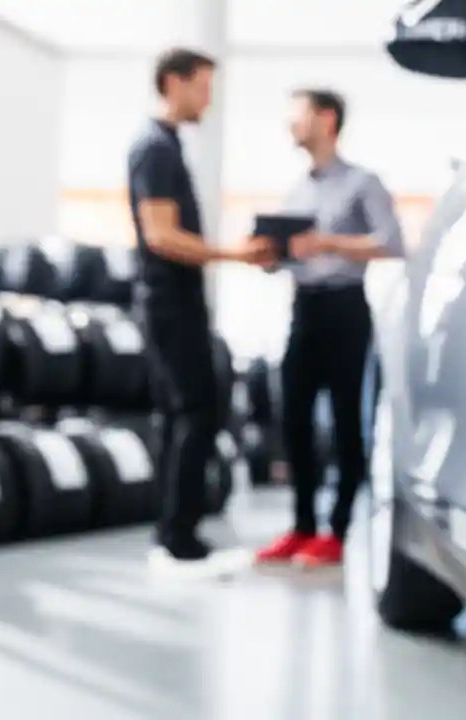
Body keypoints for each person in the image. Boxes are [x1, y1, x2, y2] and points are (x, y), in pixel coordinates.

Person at [129, 48, 275, 571]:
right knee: (196, 410)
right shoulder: (154, 149)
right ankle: (179, 540)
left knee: (180, 414)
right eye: (202, 87)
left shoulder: (166, 146)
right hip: (169, 302)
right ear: (173, 83)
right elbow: (161, 235)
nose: (207, 98)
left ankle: (172, 536)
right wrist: (235, 254)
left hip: (177, 300)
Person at [256, 88, 404, 567]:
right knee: (293, 418)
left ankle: (337, 532)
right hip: (304, 308)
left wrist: (328, 243)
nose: (290, 125)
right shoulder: (297, 190)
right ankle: (301, 526)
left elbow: (391, 243)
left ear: (326, 119)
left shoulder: (363, 183)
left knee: (345, 423)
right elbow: (294, 254)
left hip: (345, 310)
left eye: (297, 115)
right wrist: (273, 256)